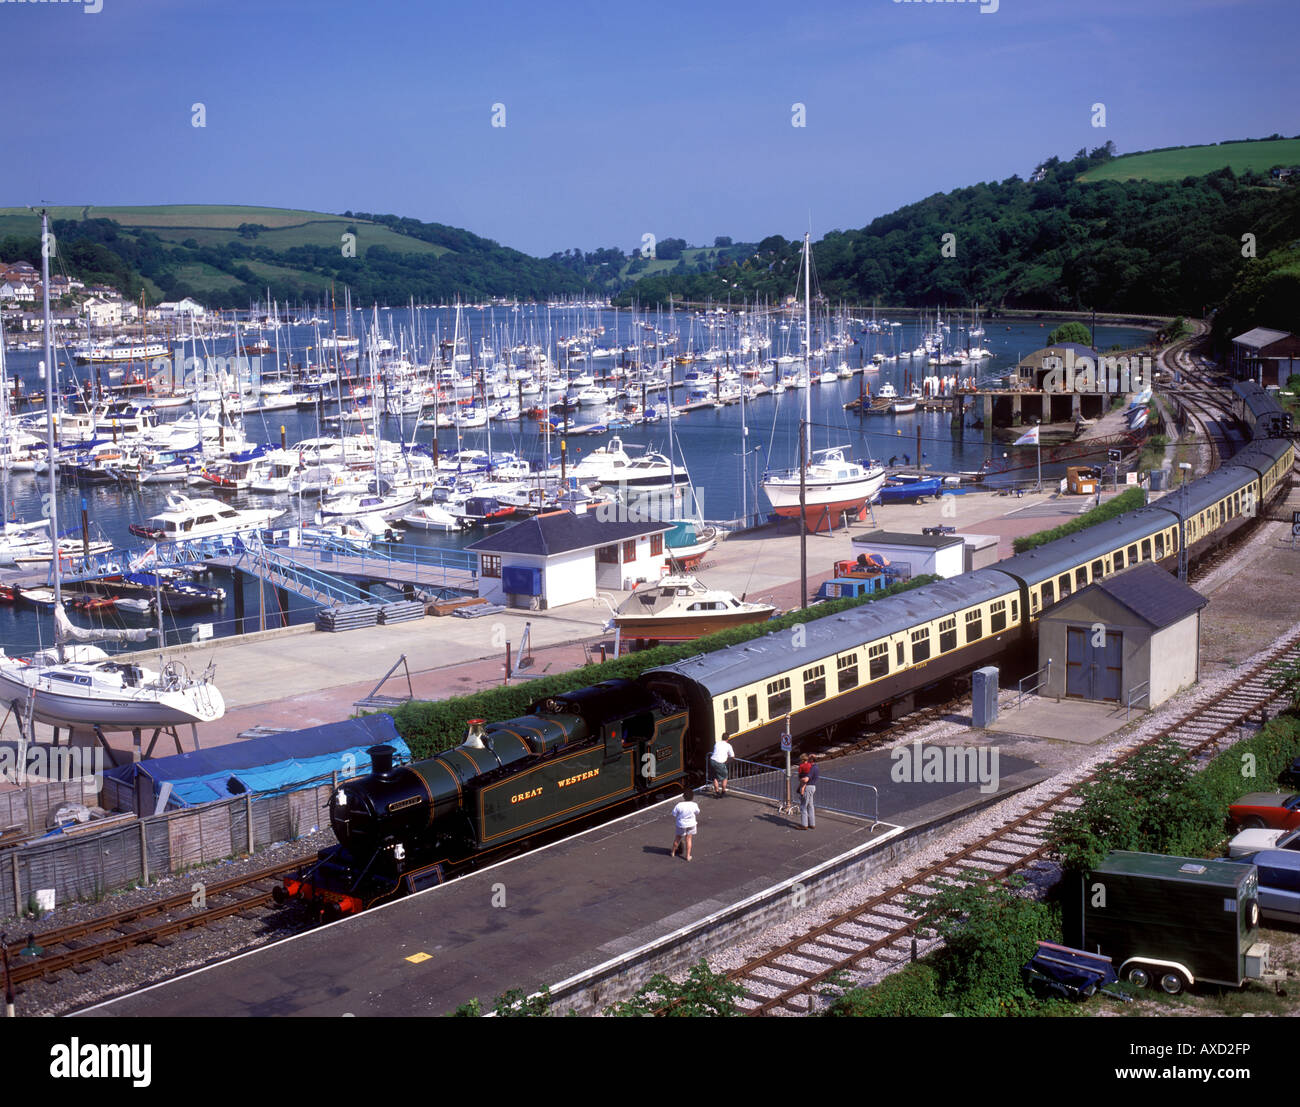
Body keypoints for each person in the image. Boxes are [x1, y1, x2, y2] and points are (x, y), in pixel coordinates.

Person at [671, 787, 700, 861]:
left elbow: (674, 813)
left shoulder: (679, 805)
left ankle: (673, 852)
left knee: (677, 838)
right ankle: (687, 856)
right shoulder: (694, 805)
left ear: (684, 796)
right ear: (692, 797)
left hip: (681, 824)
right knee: (689, 839)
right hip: (691, 824)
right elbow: (697, 812)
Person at [798, 754, 818, 831]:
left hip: (808, 788)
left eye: (809, 758)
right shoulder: (816, 767)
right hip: (813, 787)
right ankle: (812, 824)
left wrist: (800, 780)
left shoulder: (812, 768)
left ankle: (804, 825)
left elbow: (806, 779)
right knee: (810, 805)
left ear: (811, 760)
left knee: (803, 806)